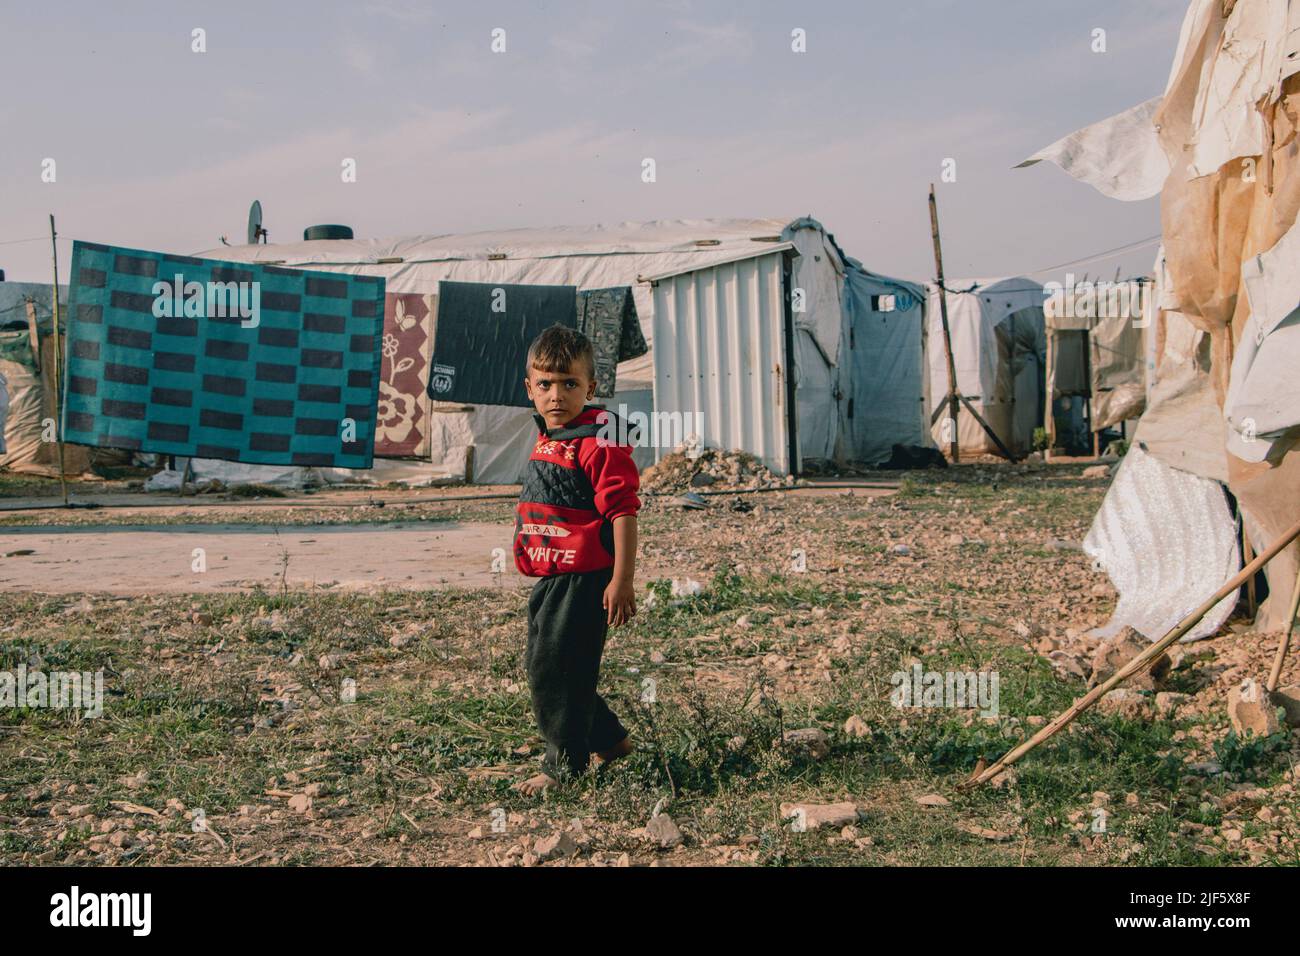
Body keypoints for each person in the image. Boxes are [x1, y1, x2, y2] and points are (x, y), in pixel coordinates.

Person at [511, 325, 640, 796]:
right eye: (544, 384)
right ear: (530, 388)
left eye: (569, 384)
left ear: (592, 387)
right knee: (553, 663)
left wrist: (621, 580)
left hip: (586, 578)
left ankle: (564, 766)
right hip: (553, 577)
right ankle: (611, 742)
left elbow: (623, 513)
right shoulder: (551, 437)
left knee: (557, 670)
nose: (556, 394)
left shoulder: (597, 442)